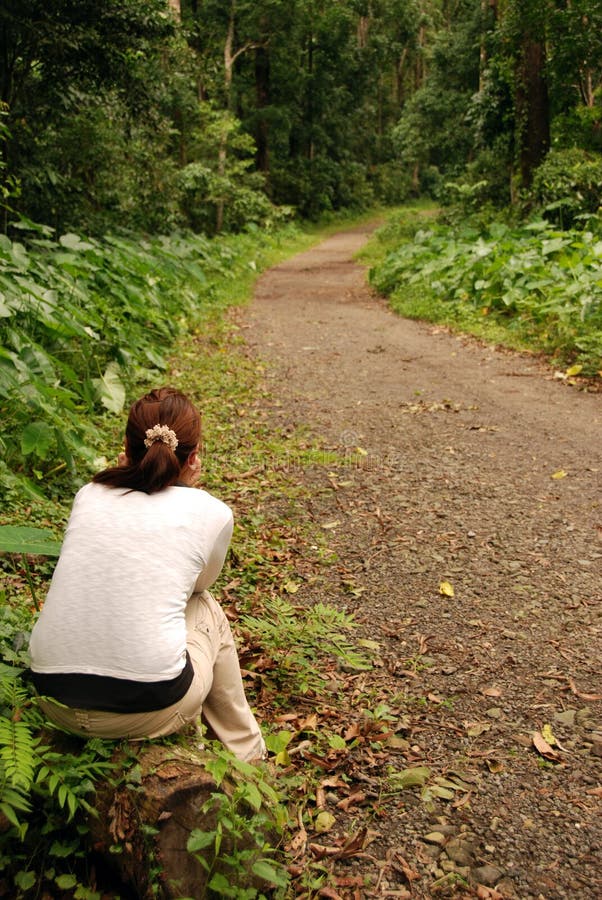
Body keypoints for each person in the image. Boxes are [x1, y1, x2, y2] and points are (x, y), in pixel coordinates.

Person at [29, 387, 265, 762]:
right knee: (206, 609)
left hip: (52, 699)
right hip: (150, 707)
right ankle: (248, 758)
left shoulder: (89, 493)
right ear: (193, 457)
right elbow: (198, 587)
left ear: (125, 444)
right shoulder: (210, 511)